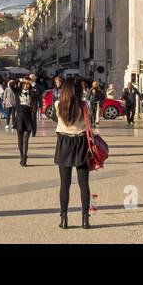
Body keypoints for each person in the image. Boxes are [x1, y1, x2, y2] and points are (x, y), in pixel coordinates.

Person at [53, 79, 93, 229]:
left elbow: (57, 119)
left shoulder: (58, 105)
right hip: (81, 142)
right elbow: (90, 123)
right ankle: (85, 220)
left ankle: (64, 219)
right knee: (84, 185)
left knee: (65, 184)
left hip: (64, 142)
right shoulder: (85, 106)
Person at [12, 75, 39, 166]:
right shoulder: (17, 91)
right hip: (19, 117)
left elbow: (38, 90)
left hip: (28, 117)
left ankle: (24, 159)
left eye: (28, 84)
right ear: (22, 84)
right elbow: (12, 84)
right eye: (24, 84)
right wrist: (20, 79)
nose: (26, 85)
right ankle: (22, 156)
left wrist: (31, 82)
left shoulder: (32, 93)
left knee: (26, 140)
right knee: (20, 140)